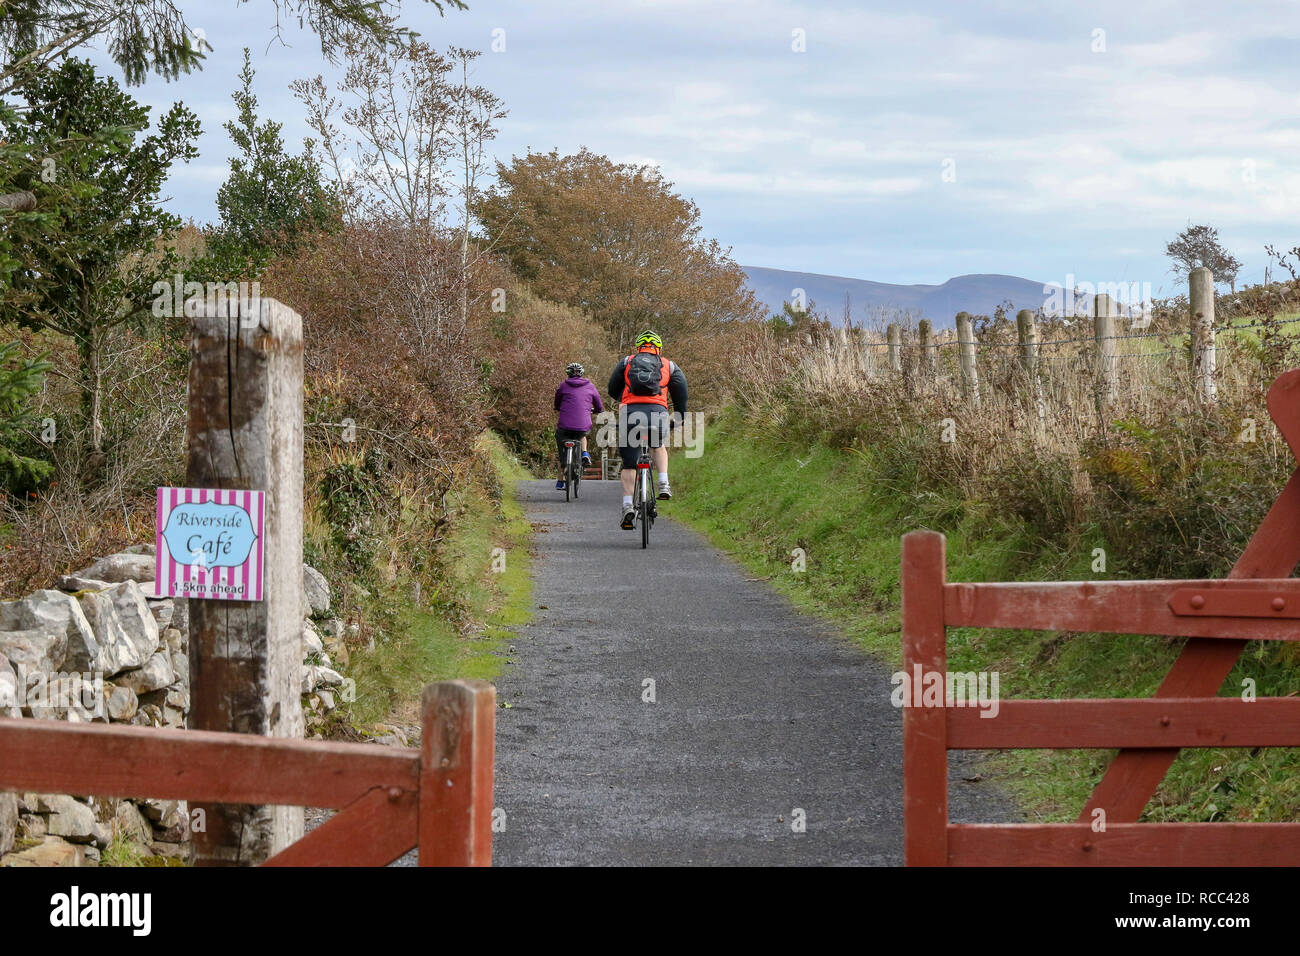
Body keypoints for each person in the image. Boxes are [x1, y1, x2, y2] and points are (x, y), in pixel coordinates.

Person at [607, 330, 687, 529]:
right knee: (657, 445)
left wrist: (624, 400)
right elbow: (681, 396)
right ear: (658, 349)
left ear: (638, 348)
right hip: (657, 413)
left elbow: (611, 389)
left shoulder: (626, 362)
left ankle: (627, 507)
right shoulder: (669, 365)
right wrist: (679, 419)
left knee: (628, 464)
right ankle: (663, 483)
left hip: (630, 413)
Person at [554, 362, 603, 491]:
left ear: (568, 374)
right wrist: (597, 410)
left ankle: (561, 479)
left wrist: (557, 407)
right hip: (582, 425)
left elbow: (557, 401)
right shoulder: (590, 386)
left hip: (564, 426)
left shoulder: (564, 386)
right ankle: (585, 453)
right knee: (582, 434)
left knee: (561, 443)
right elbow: (598, 403)